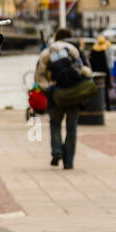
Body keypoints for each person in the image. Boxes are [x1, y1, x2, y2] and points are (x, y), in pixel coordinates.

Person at [34, 26, 93, 170]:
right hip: (73, 93)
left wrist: (49, 89)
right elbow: (85, 70)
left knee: (55, 124)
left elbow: (39, 75)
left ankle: (57, 151)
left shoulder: (47, 53)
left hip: (55, 95)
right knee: (71, 127)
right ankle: (69, 161)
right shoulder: (74, 50)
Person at [89, 33, 113, 108]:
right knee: (105, 91)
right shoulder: (103, 52)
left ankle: (96, 105)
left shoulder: (93, 52)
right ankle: (107, 106)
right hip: (104, 73)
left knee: (95, 90)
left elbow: (90, 63)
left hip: (95, 73)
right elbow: (107, 65)